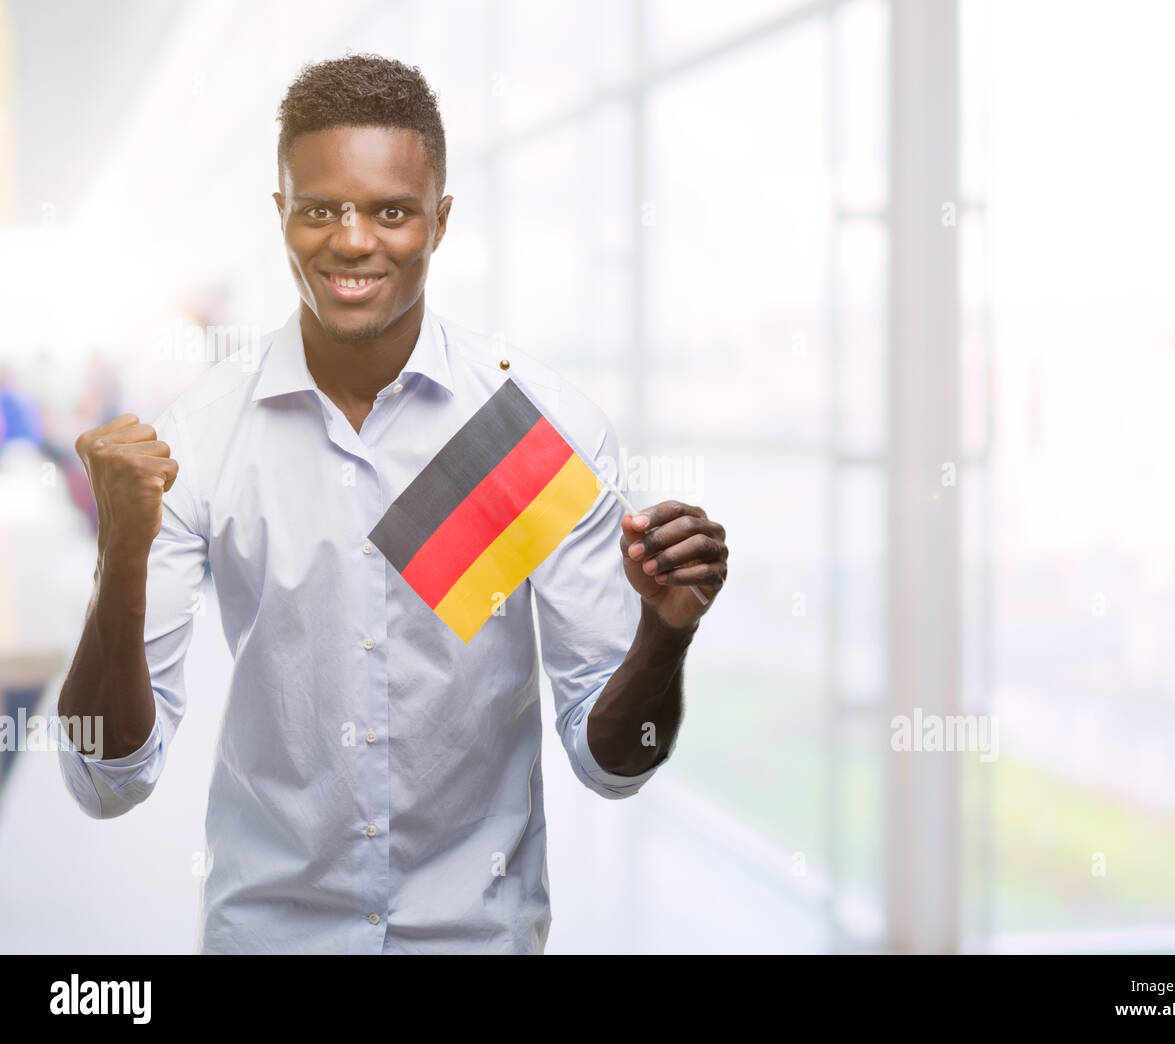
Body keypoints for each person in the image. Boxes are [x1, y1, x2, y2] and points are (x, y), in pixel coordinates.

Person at [55, 54, 728, 954]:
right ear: (282, 215)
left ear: (440, 222)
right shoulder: (198, 442)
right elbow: (107, 778)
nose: (353, 240)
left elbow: (613, 761)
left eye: (391, 211)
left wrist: (665, 634)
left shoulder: (534, 433)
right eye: (321, 208)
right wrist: (120, 557)